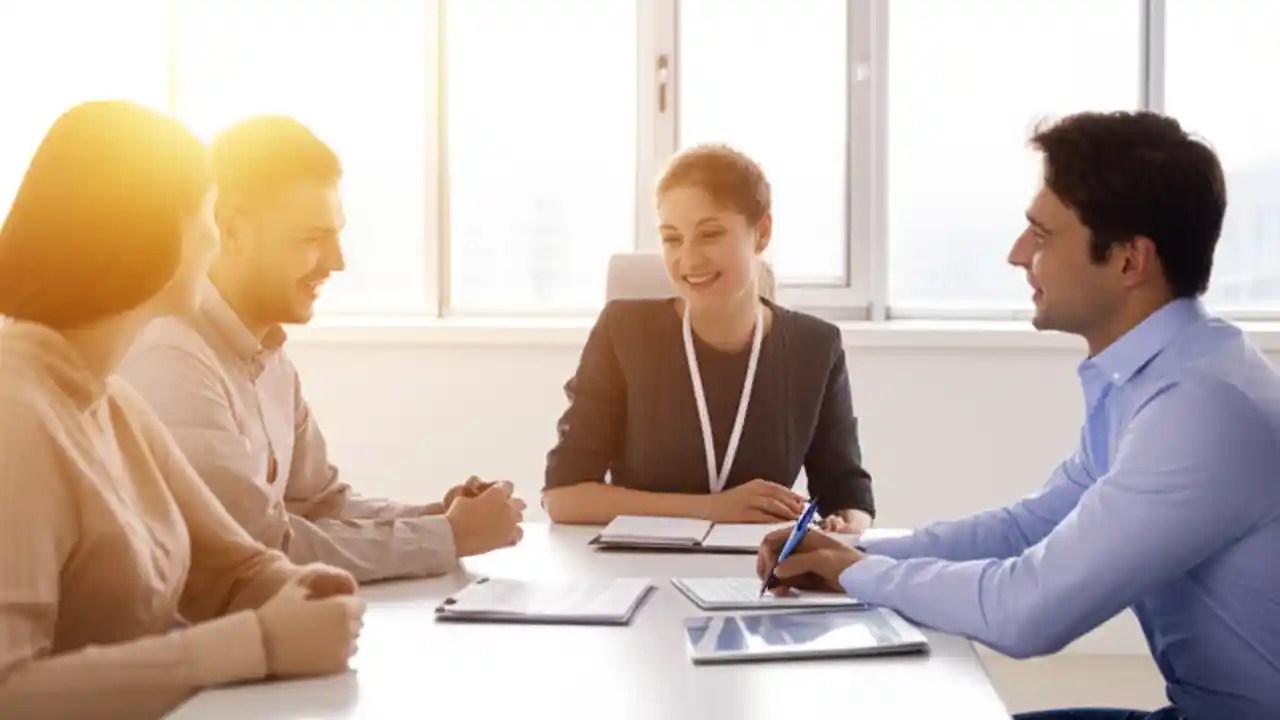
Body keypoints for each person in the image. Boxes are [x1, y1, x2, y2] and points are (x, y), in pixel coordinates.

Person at [757, 111, 1280, 720]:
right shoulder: (1160, 376)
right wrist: (861, 553)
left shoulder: (1200, 410)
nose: (1016, 254)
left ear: (1129, 262)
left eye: (1042, 234)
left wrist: (855, 574)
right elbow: (1030, 527)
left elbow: (1027, 610)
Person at [0, 101, 365, 720]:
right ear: (158, 232)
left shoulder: (112, 402)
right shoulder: (16, 414)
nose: (217, 241)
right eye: (207, 217)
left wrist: (297, 590)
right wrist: (256, 643)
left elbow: (235, 567)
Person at [119, 116, 525, 584]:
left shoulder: (269, 357)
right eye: (313, 239)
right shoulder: (171, 356)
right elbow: (257, 548)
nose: (338, 261)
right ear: (230, 232)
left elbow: (321, 503)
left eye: (336, 235)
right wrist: (449, 536)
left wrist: (443, 514)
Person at [544, 144, 875, 532]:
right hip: (635, 568)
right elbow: (564, 496)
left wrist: (847, 525)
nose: (689, 259)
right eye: (672, 239)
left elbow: (848, 495)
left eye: (710, 234)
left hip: (753, 575)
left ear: (762, 232)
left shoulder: (816, 348)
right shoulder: (623, 331)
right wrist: (711, 508)